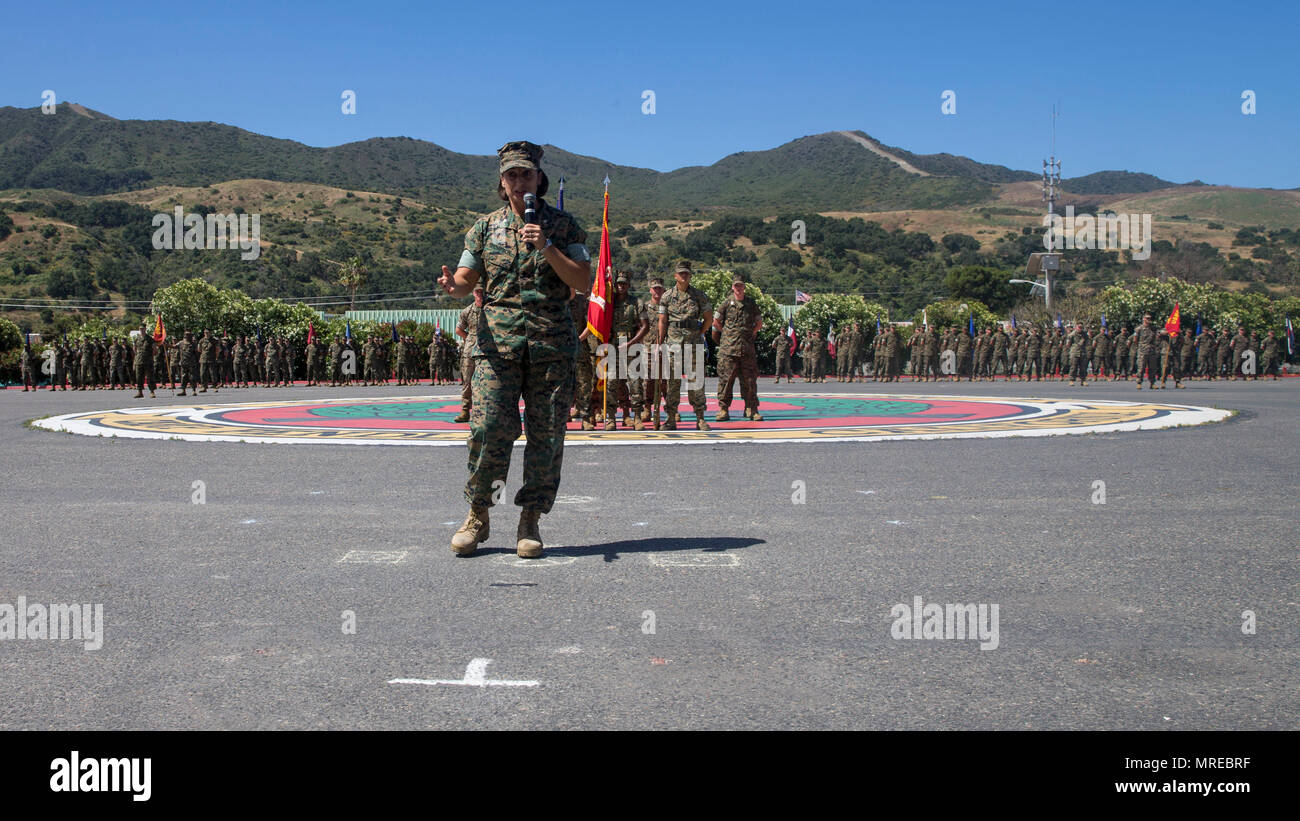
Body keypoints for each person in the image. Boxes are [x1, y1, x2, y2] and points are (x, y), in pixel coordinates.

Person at [437, 140, 591, 559]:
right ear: (501, 182)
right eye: (511, 175)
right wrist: (456, 287)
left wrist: (547, 246)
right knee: (488, 429)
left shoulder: (564, 226)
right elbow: (468, 276)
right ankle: (478, 514)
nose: (519, 181)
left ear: (539, 179)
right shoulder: (484, 228)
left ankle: (530, 520)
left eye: (526, 174)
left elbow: (583, 281)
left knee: (546, 436)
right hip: (496, 345)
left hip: (551, 346)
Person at [657, 259, 712, 430]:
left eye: (687, 273)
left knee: (696, 382)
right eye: (681, 273)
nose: (684, 276)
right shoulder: (667, 297)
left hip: (693, 344)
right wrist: (660, 342)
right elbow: (662, 321)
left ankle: (700, 417)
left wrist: (699, 333)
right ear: (675, 276)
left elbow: (708, 318)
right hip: (673, 345)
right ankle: (671, 418)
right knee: (673, 382)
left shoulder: (698, 295)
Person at [712, 274, 763, 422]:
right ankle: (723, 409)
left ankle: (752, 409)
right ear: (732, 287)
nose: (738, 288)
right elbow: (716, 322)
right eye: (736, 286)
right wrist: (727, 333)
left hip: (747, 349)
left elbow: (758, 323)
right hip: (728, 350)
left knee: (749, 381)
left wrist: (751, 332)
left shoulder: (751, 304)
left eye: (741, 285)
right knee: (726, 381)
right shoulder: (726, 303)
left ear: (744, 287)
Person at [603, 271, 647, 430]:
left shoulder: (636, 303)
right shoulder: (609, 302)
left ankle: (636, 417)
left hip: (631, 347)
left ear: (628, 285)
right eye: (619, 283)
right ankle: (611, 417)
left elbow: (644, 326)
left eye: (624, 283)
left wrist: (631, 343)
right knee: (612, 382)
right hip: (613, 345)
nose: (621, 286)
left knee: (635, 384)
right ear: (615, 285)